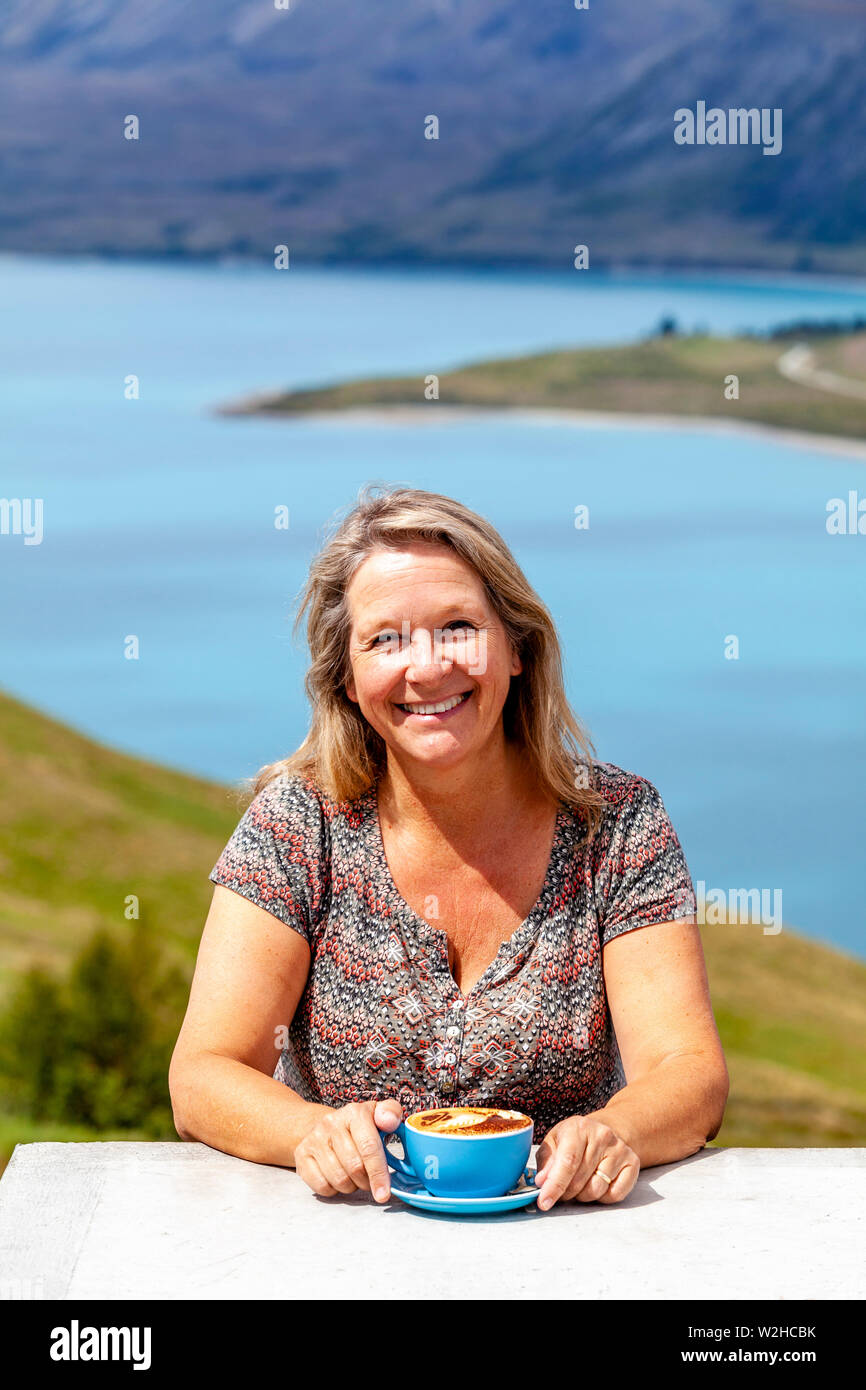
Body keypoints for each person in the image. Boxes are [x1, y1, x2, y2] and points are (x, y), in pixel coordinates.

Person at [169, 484, 728, 1210]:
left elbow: (689, 1071)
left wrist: (612, 1131)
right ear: (346, 676)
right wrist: (313, 1132)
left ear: (518, 647)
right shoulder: (297, 823)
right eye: (384, 639)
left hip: (568, 1247)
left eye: (458, 626)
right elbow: (202, 1075)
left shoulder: (618, 823)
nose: (427, 668)